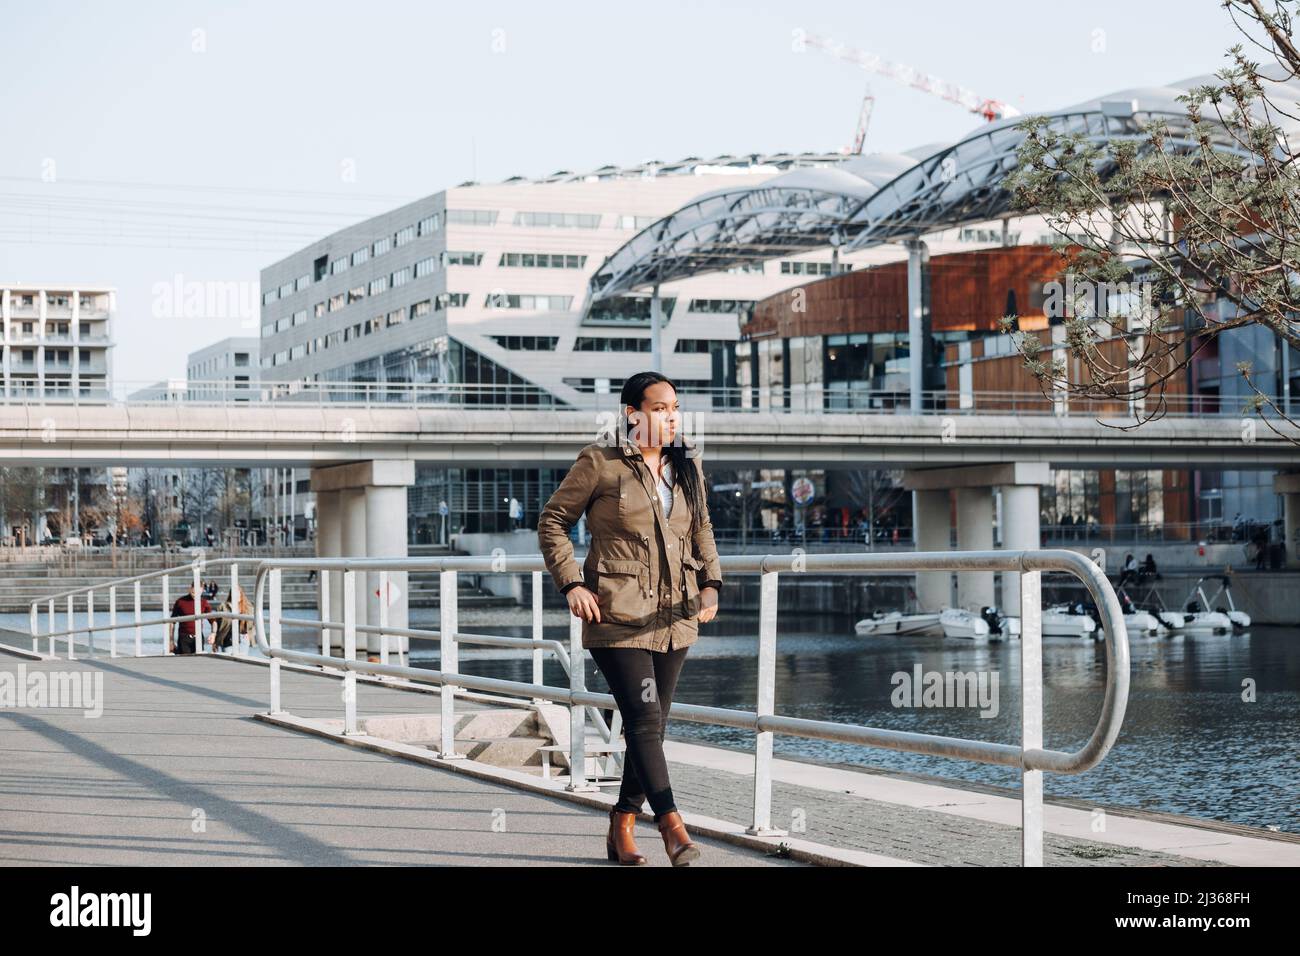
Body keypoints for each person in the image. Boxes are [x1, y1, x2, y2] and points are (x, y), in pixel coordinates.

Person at [538, 371, 722, 867]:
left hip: (677, 613)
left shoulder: (687, 462)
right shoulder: (599, 462)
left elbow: (701, 526)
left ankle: (622, 826)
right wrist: (572, 583)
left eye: (675, 407)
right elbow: (553, 520)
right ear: (632, 413)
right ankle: (672, 827)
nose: (671, 416)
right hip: (617, 613)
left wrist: (711, 583)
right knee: (642, 718)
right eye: (661, 408)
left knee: (652, 727)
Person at [168, 583, 211, 654]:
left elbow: (212, 620)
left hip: (198, 637)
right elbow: (172, 621)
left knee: (199, 660)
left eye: (198, 592)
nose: (195, 594)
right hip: (184, 637)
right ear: (190, 588)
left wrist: (213, 633)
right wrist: (171, 641)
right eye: (193, 591)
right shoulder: (180, 601)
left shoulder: (204, 603)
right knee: (185, 661)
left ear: (202, 590)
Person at [211, 585, 253, 654]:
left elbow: (254, 623)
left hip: (243, 640)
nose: (236, 595)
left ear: (241, 594)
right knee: (230, 662)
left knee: (243, 662)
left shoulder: (247, 607)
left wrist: (250, 634)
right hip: (227, 639)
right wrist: (214, 639)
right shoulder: (223, 607)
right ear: (231, 594)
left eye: (238, 592)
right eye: (234, 593)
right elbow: (216, 623)